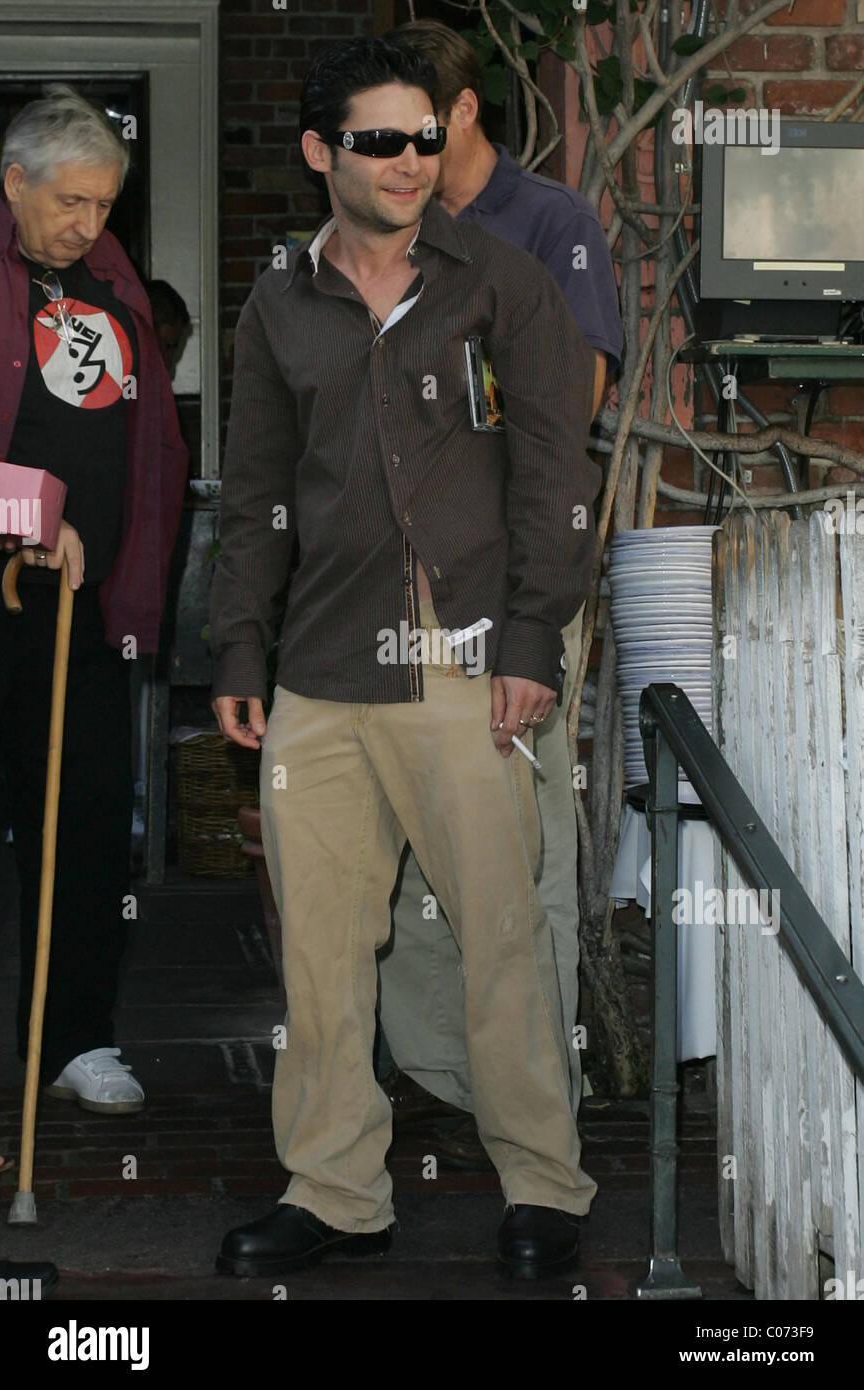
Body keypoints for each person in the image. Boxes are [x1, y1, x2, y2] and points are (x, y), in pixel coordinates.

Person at [210, 36, 601, 1279]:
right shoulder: (279, 297)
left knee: (499, 933)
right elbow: (259, 488)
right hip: (320, 666)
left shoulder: (502, 281)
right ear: (322, 151)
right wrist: (236, 649)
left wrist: (531, 639)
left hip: (465, 653)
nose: (408, 161)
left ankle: (542, 1184)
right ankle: (332, 1190)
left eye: (425, 136)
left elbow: (554, 475)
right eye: (378, 140)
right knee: (320, 952)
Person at [375, 20, 623, 1162]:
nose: (394, 151)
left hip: (509, 580)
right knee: (409, 842)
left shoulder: (547, 222)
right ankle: (440, 1073)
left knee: (521, 848)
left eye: (413, 125)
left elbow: (569, 401)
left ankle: (533, 1104)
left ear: (463, 111)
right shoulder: (378, 228)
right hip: (390, 586)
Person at [0, 85, 188, 1114]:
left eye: (105, 205)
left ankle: (74, 1037)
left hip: (79, 608)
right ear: (13, 181)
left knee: (78, 823)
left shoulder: (106, 282)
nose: (89, 224)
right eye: (69, 201)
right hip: (7, 583)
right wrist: (28, 509)